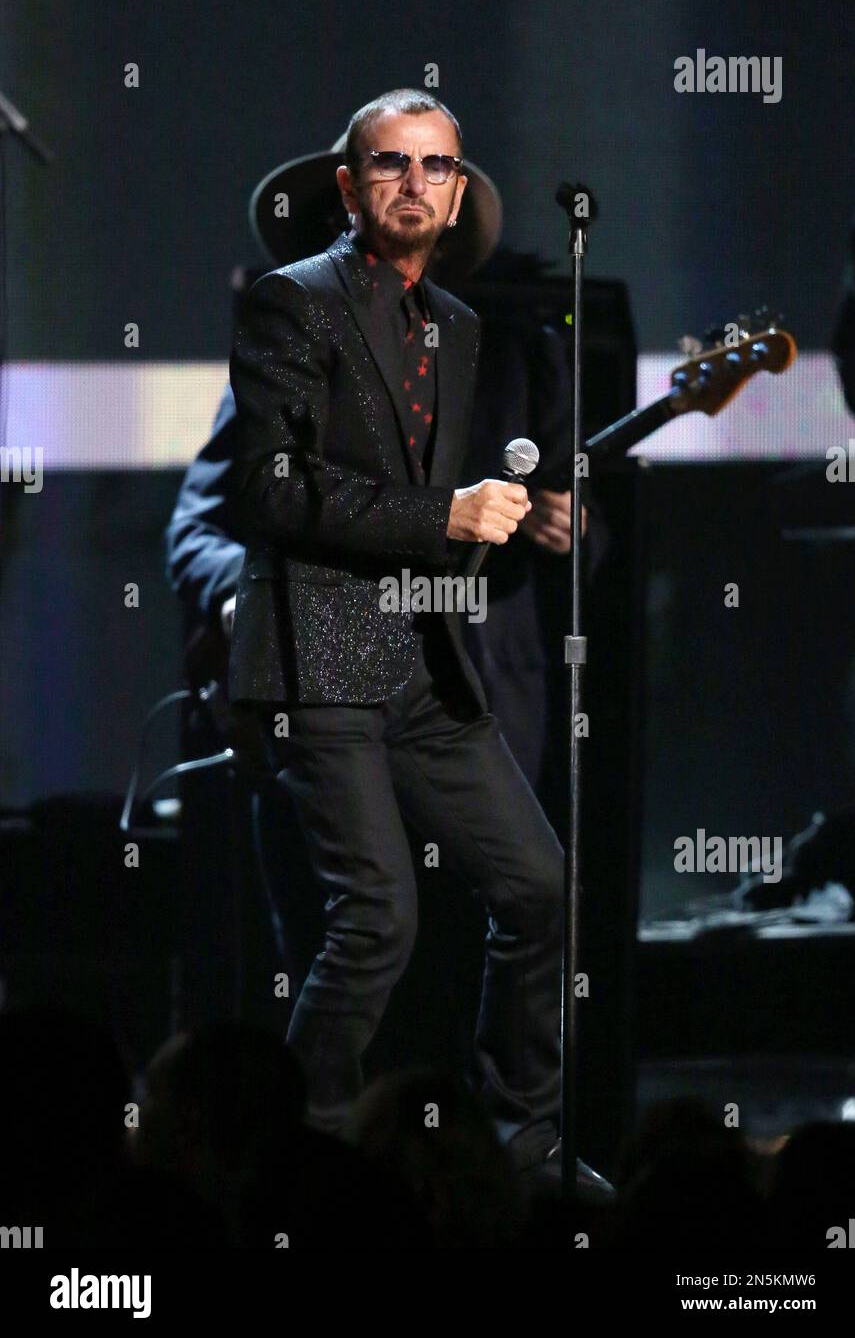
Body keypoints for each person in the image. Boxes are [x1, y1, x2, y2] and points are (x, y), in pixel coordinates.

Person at [226, 86, 606, 1191]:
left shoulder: (463, 328)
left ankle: (526, 1135)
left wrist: (517, 520)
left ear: (455, 195)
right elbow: (267, 488)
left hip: (422, 660)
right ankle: (299, 1153)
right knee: (378, 913)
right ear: (348, 186)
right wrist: (443, 514)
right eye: (389, 164)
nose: (412, 184)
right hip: (318, 657)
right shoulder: (290, 306)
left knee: (542, 888)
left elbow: (431, 495)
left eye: (434, 168)